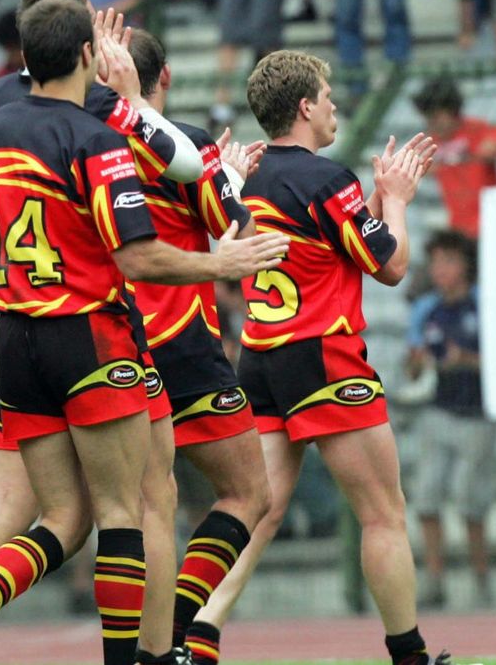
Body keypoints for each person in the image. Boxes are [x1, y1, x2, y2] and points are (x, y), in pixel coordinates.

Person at [0, 0, 284, 665]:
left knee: (54, 515)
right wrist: (220, 259)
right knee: (129, 509)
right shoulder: (101, 136)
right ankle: (145, 652)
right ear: (88, 54)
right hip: (94, 335)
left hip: (14, 336)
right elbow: (151, 244)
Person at [185, 50, 447, 665]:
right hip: (325, 356)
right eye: (327, 98)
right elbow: (392, 266)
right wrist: (398, 198)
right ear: (305, 108)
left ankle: (199, 632)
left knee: (259, 511)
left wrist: (376, 204)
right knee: (384, 515)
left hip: (261, 357)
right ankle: (409, 655)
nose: (334, 109)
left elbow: (292, 249)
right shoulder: (326, 180)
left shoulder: (246, 177)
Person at [121, 29, 274, 663]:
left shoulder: (79, 142)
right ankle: (176, 634)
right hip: (182, 338)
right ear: (167, 78)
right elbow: (232, 226)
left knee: (128, 511)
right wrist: (230, 175)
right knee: (246, 493)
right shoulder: (186, 144)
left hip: (109, 344)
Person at [405, 231, 495, 610]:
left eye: (449, 261)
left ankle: (480, 580)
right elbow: (411, 369)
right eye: (436, 262)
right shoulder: (425, 309)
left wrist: (466, 361)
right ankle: (435, 580)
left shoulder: (485, 305)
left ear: (466, 266)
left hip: (477, 415)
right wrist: (422, 360)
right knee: (426, 497)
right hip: (438, 412)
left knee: (470, 502)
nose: (441, 270)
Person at [411, 78, 496, 241]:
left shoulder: (476, 130)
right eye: (429, 118)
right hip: (459, 229)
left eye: (436, 116)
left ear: (452, 111)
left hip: (491, 225)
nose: (432, 123)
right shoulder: (431, 142)